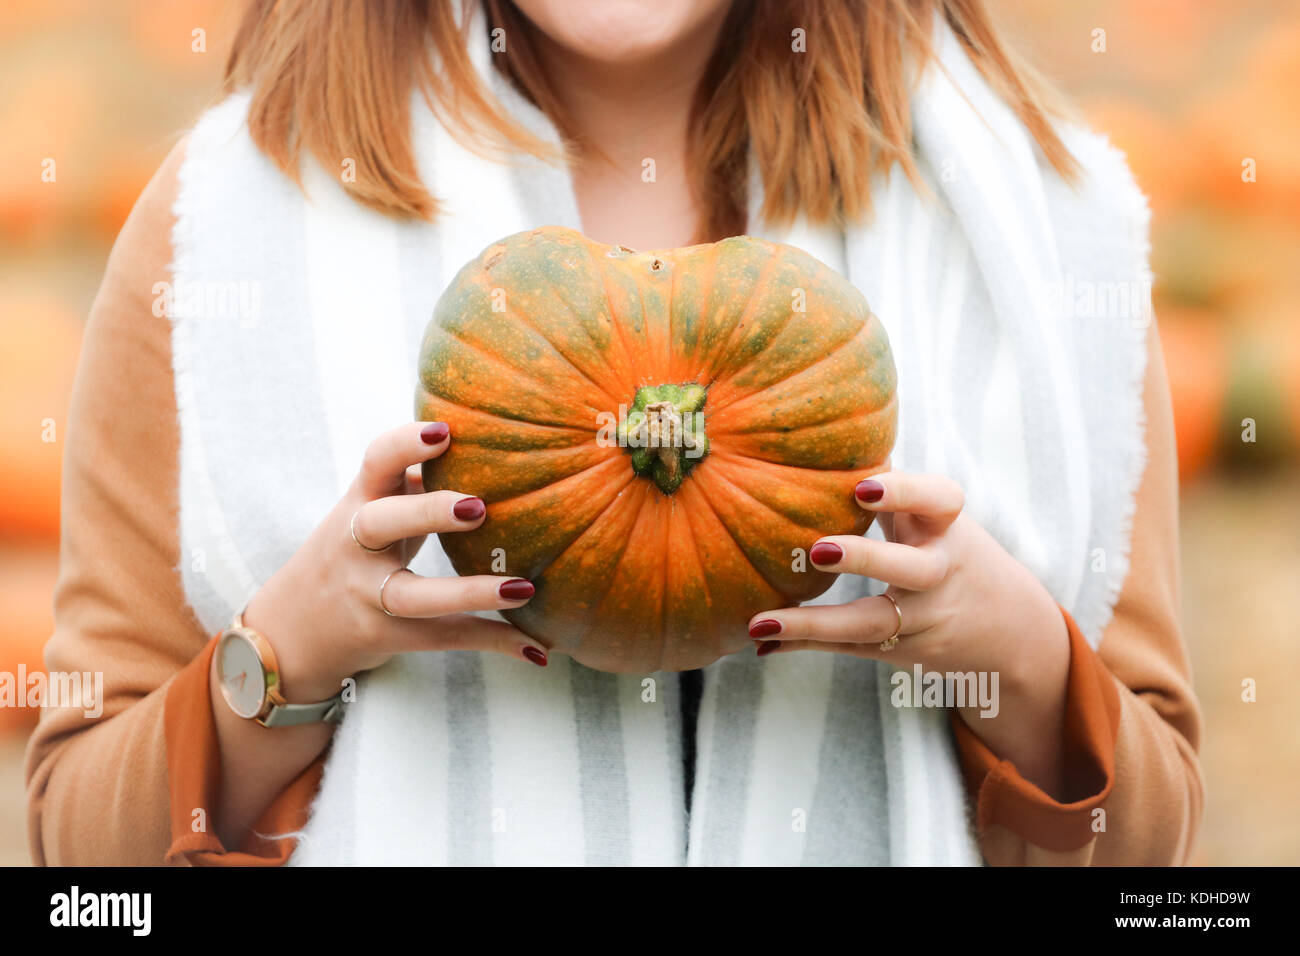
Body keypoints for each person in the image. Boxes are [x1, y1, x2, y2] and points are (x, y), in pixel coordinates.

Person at [26, 0, 1202, 866]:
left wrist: (1020, 663)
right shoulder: (217, 233)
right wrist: (284, 657)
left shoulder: (1042, 237)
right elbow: (80, 865)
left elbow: (1159, 853)